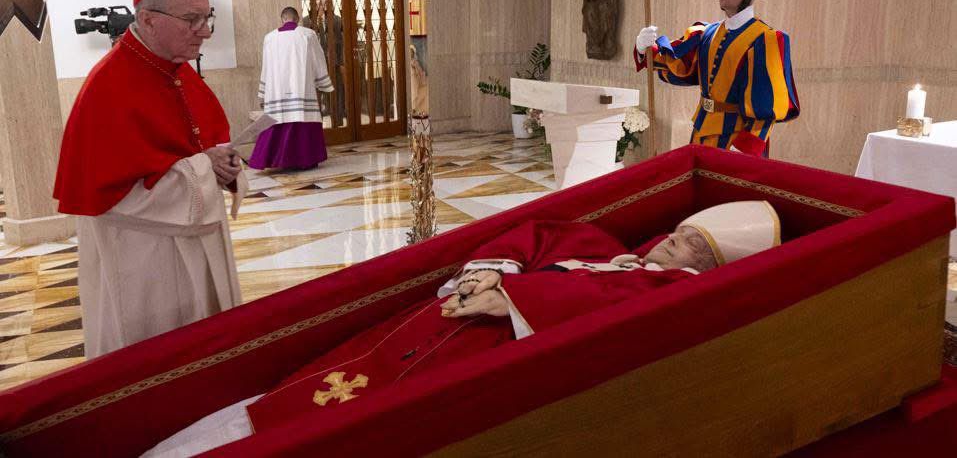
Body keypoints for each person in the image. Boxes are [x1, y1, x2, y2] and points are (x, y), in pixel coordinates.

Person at [143, 201, 779, 457]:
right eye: (680, 228)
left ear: (711, 266)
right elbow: (544, 232)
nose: (672, 239)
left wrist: (519, 296)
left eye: (692, 242)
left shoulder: (673, 289)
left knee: (344, 422)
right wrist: (490, 271)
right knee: (311, 384)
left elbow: (622, 310)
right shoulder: (614, 249)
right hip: (445, 318)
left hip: (486, 349)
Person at [53, 0, 245, 358]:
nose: (205, 31)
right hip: (144, 254)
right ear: (148, 19)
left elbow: (204, 144)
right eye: (192, 20)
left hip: (195, 236)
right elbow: (116, 197)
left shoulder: (177, 71)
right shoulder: (108, 85)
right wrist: (203, 169)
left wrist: (224, 166)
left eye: (206, 18)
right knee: (158, 354)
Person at [634, 0, 800, 156]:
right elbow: (678, 67)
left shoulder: (766, 40)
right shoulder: (706, 33)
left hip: (736, 145)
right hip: (700, 135)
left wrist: (745, 149)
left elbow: (767, 109)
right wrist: (645, 49)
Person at [249, 6, 334, 170]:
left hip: (277, 89)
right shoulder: (308, 35)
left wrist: (264, 90)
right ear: (297, 19)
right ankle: (305, 159)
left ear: (282, 19)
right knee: (302, 117)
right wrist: (322, 81)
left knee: (277, 119)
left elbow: (266, 66)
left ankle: (274, 160)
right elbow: (318, 59)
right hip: (300, 86)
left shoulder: (269, 38)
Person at [314, 0, 346, 125]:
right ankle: (317, 123)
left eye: (324, 4)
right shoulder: (307, 22)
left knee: (335, 92)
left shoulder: (337, 21)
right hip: (316, 65)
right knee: (316, 95)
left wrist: (341, 62)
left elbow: (342, 42)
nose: (321, 7)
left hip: (334, 63)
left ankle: (337, 122)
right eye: (318, 4)